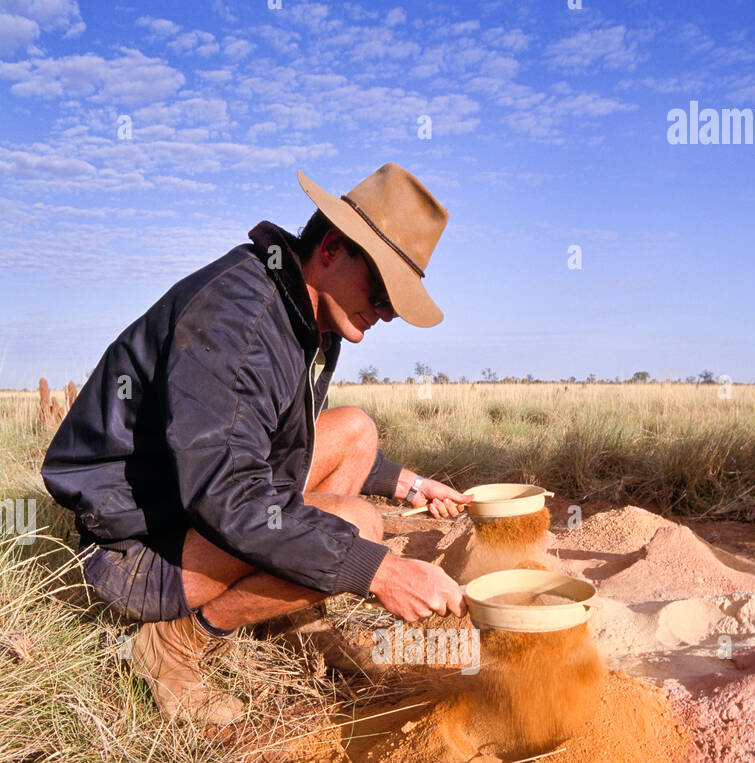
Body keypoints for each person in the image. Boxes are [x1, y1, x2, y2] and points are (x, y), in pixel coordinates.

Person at [42, 162, 473, 725]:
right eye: (384, 290)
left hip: (184, 497)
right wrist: (378, 571)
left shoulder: (305, 311)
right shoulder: (237, 319)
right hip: (131, 544)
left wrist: (408, 483)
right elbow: (229, 496)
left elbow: (289, 443)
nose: (389, 313)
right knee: (360, 528)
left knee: (357, 431)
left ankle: (291, 610)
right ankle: (173, 644)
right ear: (334, 247)